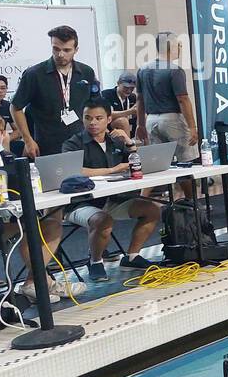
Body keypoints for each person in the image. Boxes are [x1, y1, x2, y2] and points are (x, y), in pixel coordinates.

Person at [0, 110, 72, 303]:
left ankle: (34, 282)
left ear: (3, 134)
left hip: (12, 219)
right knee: (31, 226)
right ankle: (43, 283)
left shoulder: (11, 159)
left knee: (52, 222)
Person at [60, 101, 160, 281]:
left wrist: (129, 141)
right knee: (102, 220)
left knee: (152, 209)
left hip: (113, 199)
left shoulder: (115, 141)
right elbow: (73, 170)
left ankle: (132, 257)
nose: (92, 123)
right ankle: (95, 261)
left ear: (108, 120)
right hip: (80, 204)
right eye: (88, 118)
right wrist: (113, 170)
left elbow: (135, 164)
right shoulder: (73, 143)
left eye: (98, 118)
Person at [11, 24, 99, 157]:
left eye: (66, 50)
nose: (60, 54)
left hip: (81, 141)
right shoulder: (34, 74)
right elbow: (15, 107)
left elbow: (95, 105)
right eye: (55, 49)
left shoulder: (86, 72)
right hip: (47, 144)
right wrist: (28, 140)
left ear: (76, 50)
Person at [135, 32, 199, 162]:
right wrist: (192, 127)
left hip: (151, 121)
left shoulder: (142, 69)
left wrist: (140, 124)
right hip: (172, 119)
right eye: (179, 45)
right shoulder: (175, 70)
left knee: (160, 164)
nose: (180, 49)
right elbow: (183, 99)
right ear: (172, 46)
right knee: (186, 163)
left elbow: (140, 99)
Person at [100, 71, 138, 136]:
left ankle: (147, 144)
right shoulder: (107, 94)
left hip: (130, 125)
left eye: (132, 88)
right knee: (123, 121)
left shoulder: (132, 97)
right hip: (109, 126)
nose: (129, 91)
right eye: (126, 87)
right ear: (118, 83)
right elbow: (106, 115)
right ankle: (128, 145)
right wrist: (130, 111)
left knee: (144, 116)